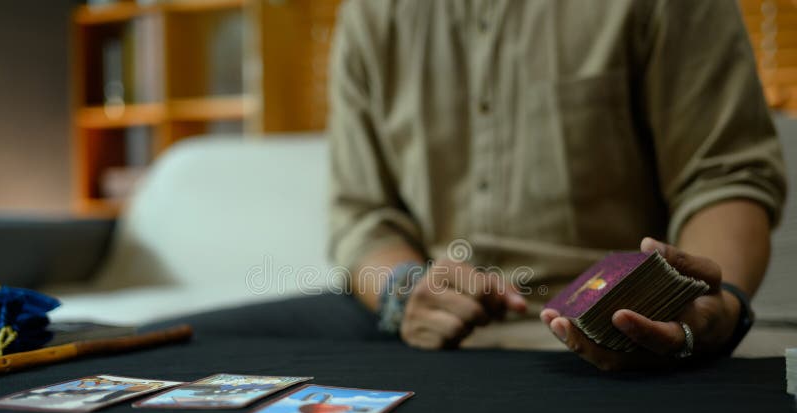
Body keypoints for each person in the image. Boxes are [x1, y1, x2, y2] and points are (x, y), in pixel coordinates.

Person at [327, 0, 787, 369]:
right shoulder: (371, 13)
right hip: (434, 332)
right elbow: (362, 215)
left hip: (615, 333)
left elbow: (724, 176)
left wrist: (714, 308)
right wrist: (406, 291)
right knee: (253, 342)